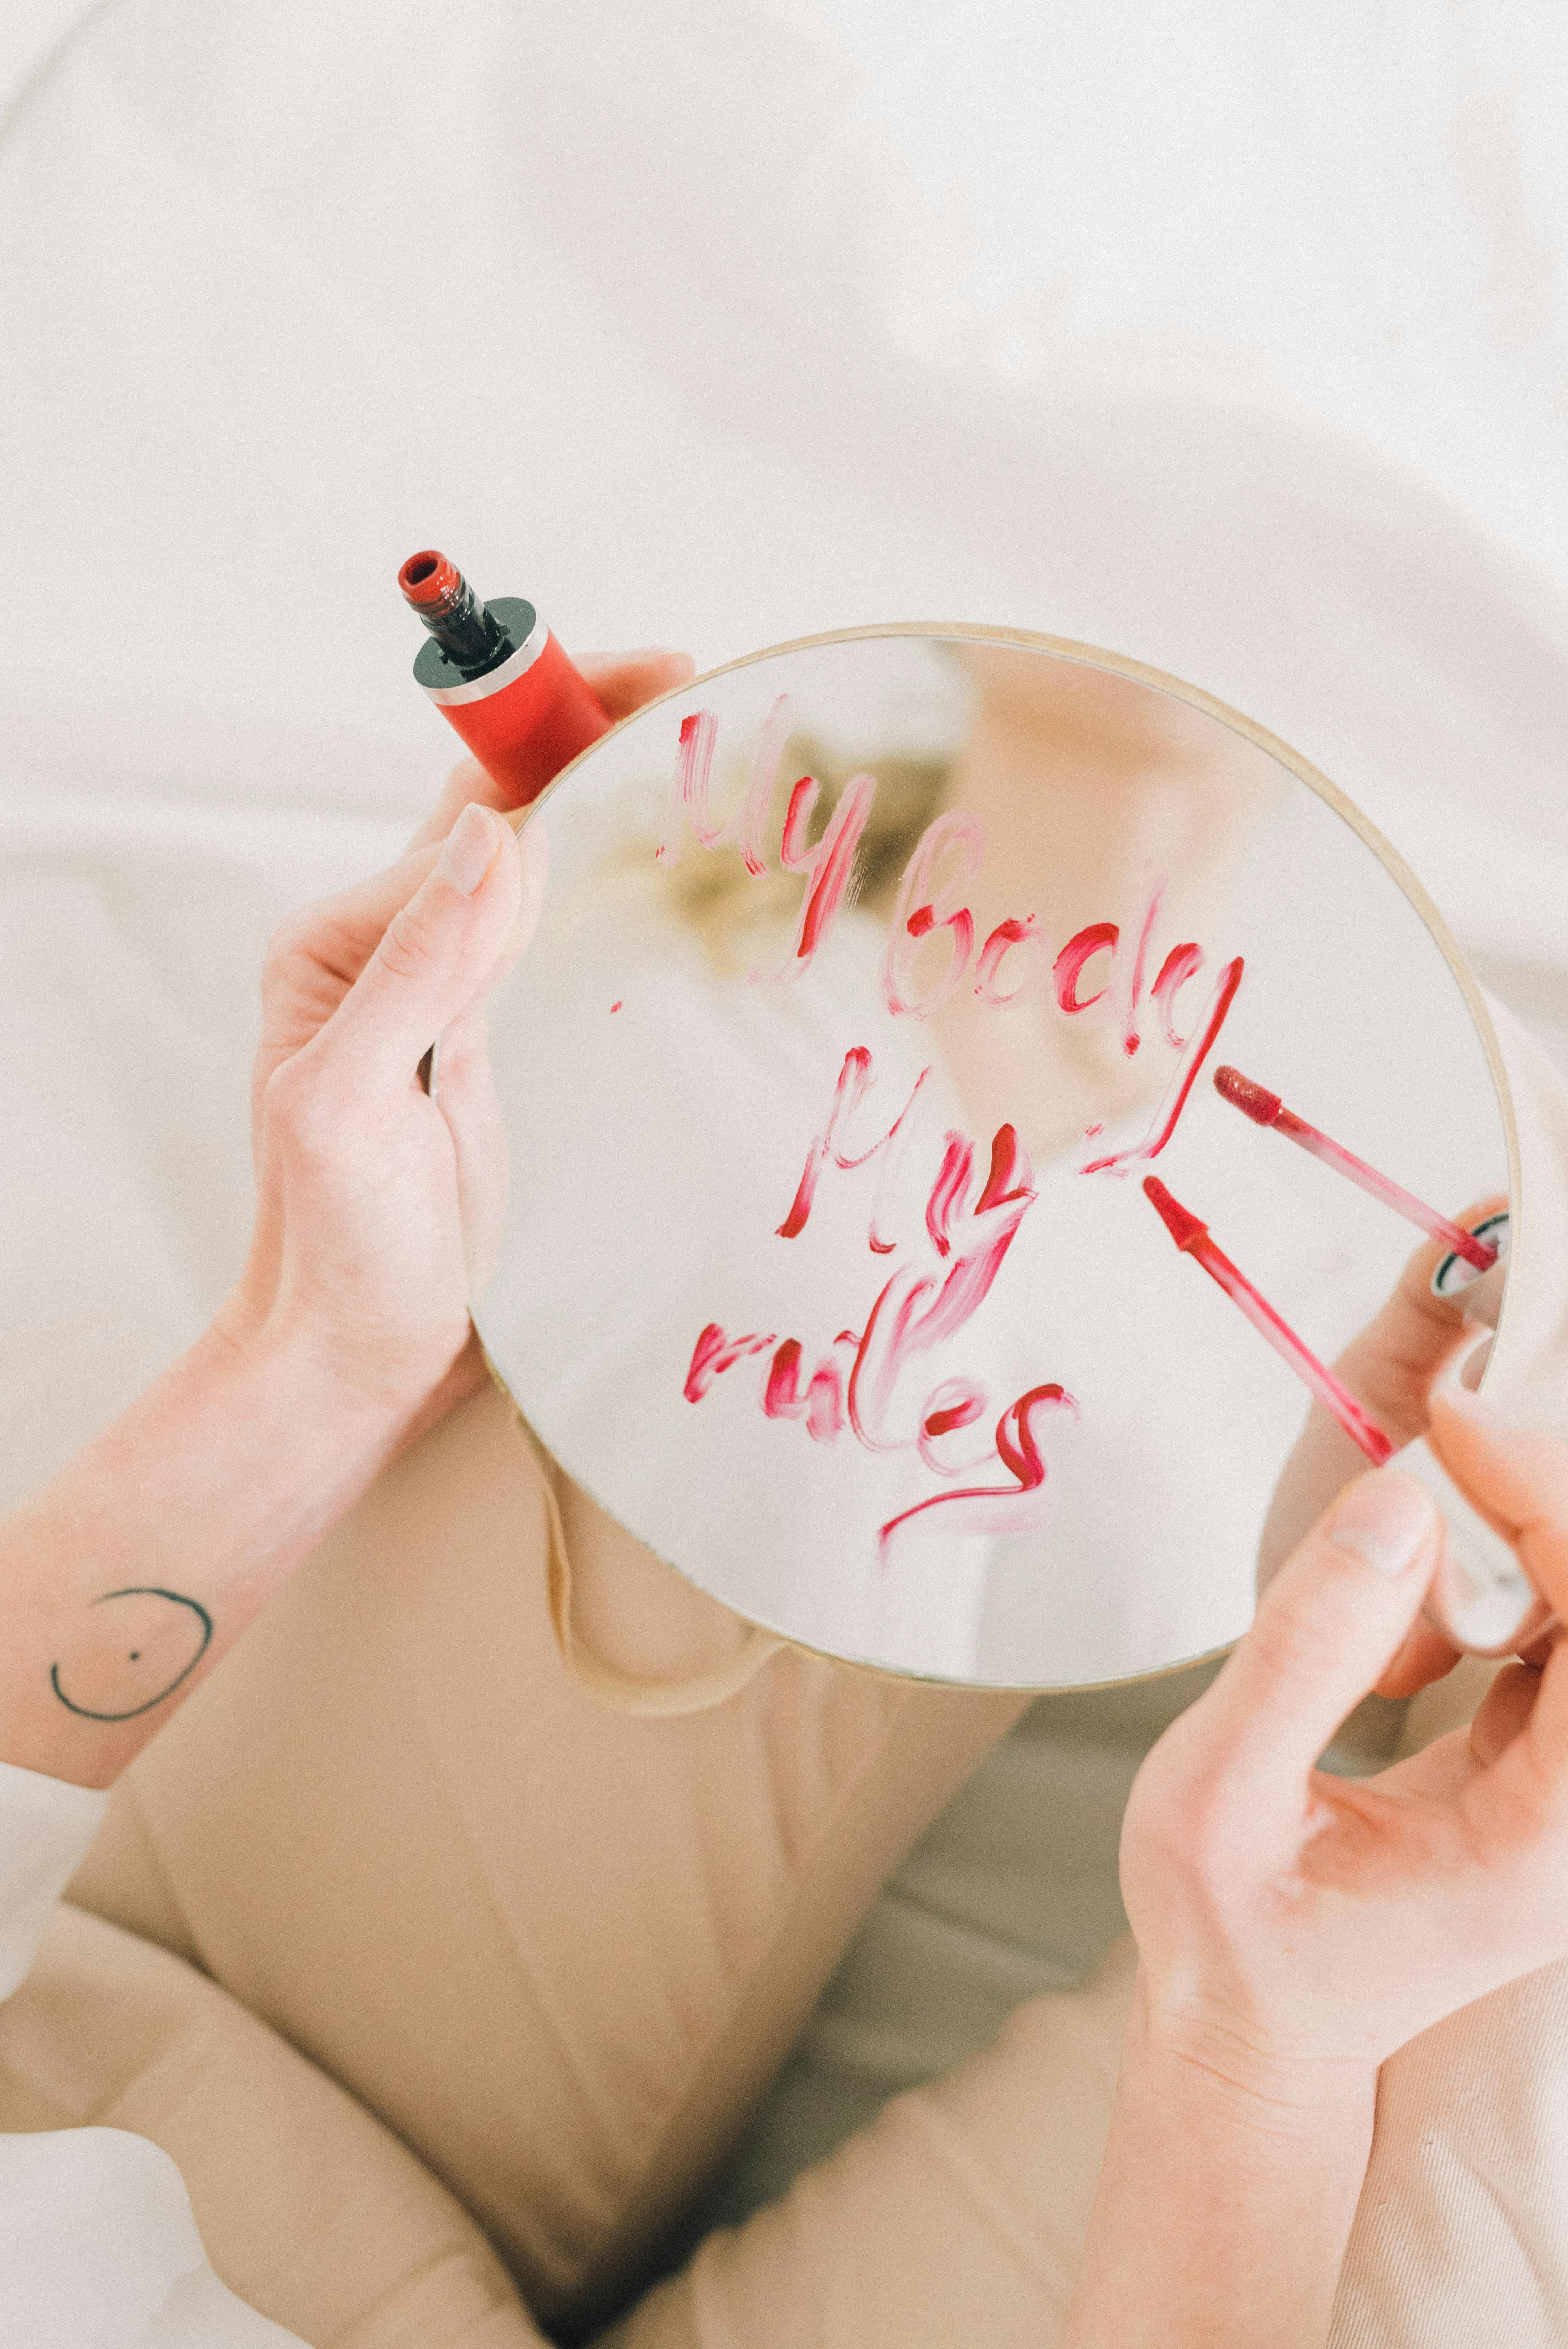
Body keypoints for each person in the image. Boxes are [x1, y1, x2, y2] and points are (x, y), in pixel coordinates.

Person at [5, 651, 1568, 2346]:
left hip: (108, 2026)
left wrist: (320, 1352)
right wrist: (1252, 2046)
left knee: (795, 1254)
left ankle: (1060, 902)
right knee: (1517, 1980)